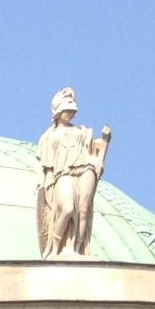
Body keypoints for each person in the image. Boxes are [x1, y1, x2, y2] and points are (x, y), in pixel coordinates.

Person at [35, 88, 111, 258]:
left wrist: (106, 140)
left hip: (86, 169)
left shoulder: (81, 131)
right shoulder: (49, 136)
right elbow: (46, 165)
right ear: (58, 112)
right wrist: (44, 184)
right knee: (68, 208)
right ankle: (55, 249)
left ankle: (76, 249)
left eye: (72, 111)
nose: (71, 114)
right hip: (64, 174)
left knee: (83, 211)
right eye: (67, 111)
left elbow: (97, 148)